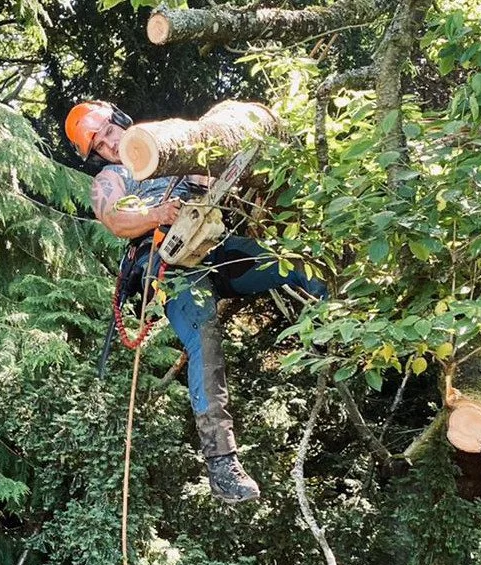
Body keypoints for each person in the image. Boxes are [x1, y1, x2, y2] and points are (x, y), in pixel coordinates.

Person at [64, 101, 326, 504]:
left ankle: (337, 329)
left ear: (121, 122)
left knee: (296, 263)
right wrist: (158, 214)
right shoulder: (112, 177)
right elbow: (115, 219)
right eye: (99, 145)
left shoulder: (167, 143)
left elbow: (213, 159)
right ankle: (222, 463)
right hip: (168, 265)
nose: (110, 145)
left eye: (110, 133)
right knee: (204, 335)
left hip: (213, 249)